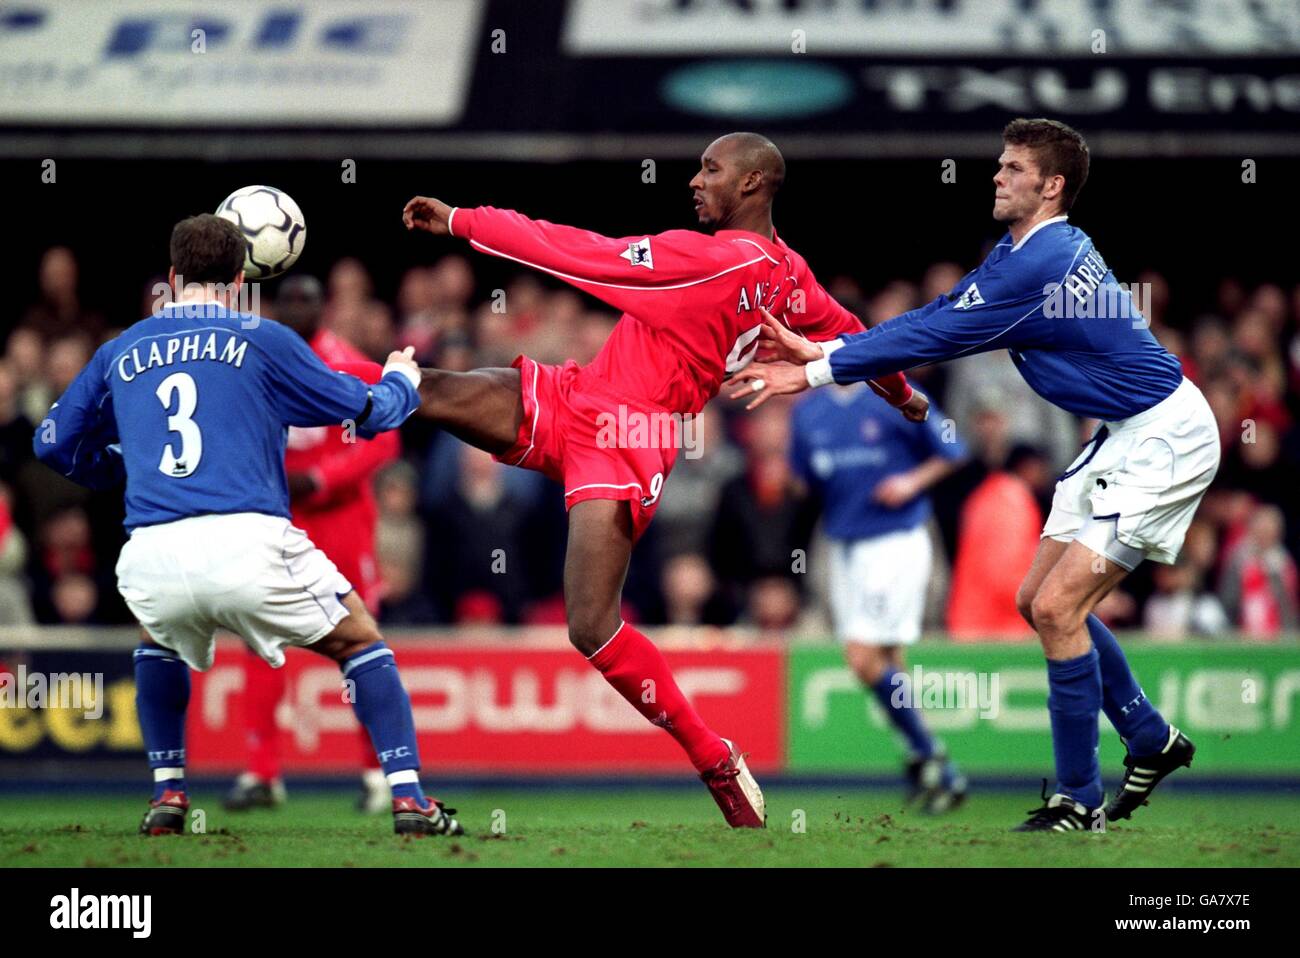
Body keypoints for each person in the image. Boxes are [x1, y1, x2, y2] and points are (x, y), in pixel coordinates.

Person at [402, 132, 929, 827]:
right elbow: (854, 336)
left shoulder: (707, 258)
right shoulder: (788, 275)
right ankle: (295, 391)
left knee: (590, 625)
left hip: (629, 438)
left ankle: (714, 757)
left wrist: (462, 220)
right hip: (576, 395)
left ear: (753, 185)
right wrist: (904, 396)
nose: (695, 180)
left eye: (710, 169)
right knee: (418, 384)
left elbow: (575, 250)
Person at [728, 118, 1221, 832]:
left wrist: (813, 370)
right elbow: (933, 315)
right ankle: (1147, 736)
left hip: (1166, 436)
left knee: (1058, 610)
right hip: (1121, 433)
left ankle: (1079, 800)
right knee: (1036, 599)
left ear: (1051, 187)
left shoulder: (1037, 265)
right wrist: (826, 345)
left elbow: (937, 335)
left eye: (1013, 167)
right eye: (999, 164)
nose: (996, 174)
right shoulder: (1024, 251)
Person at [33, 214, 462, 838]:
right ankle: (409, 800)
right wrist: (399, 380)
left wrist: (116, 470)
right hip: (247, 539)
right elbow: (365, 410)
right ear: (239, 279)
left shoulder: (119, 348)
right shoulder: (263, 338)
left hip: (153, 549)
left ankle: (169, 794)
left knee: (160, 641)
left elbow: (53, 443)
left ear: (174, 278)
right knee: (361, 640)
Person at [224, 276, 400, 814]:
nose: (299, 307)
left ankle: (379, 776)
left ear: (322, 308)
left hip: (341, 524)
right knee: (260, 646)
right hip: (277, 521)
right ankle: (262, 773)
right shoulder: (255, 363)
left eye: (308, 299)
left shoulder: (345, 361)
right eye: (290, 300)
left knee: (359, 644)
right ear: (276, 306)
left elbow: (385, 437)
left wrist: (321, 478)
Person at [790, 381, 967, 812]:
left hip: (896, 539)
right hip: (841, 544)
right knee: (887, 658)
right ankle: (924, 760)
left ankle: (936, 760)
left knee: (861, 657)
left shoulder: (896, 391)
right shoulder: (807, 412)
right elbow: (803, 481)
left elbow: (953, 448)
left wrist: (911, 480)